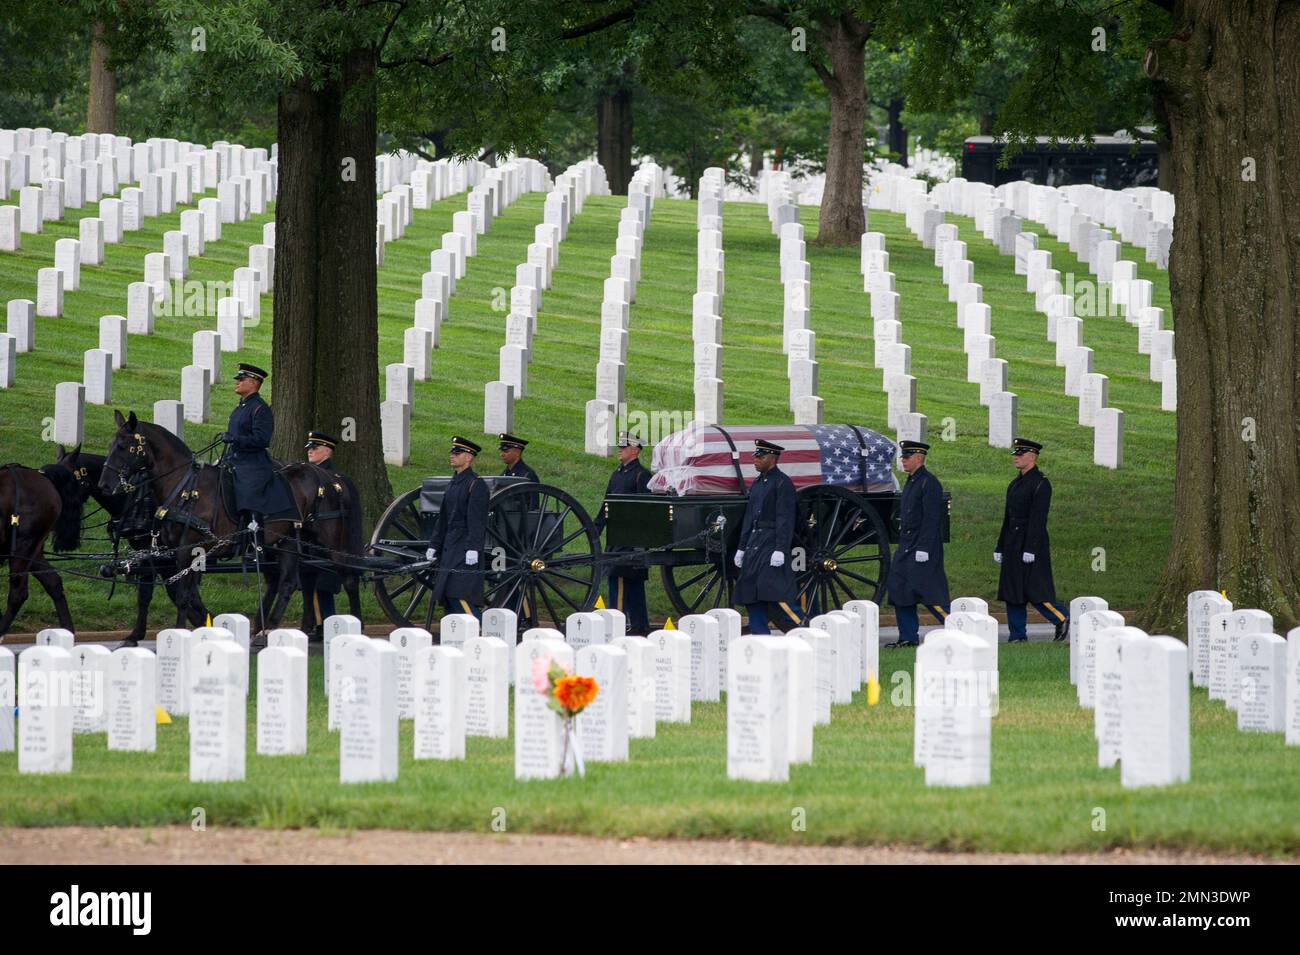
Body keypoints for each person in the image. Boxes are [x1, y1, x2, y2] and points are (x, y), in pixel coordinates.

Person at [995, 437, 1069, 642]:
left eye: (1021, 454)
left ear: (1032, 456)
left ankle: (1061, 618)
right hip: (1012, 542)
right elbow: (1008, 518)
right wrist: (1000, 546)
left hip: (1030, 544)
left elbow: (1038, 519)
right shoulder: (1015, 484)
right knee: (1013, 592)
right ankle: (1017, 635)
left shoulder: (1041, 483)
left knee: (1036, 591)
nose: (1016, 458)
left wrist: (1031, 548)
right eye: (1015, 454)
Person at [733, 439, 802, 634]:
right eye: (755, 456)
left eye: (760, 456)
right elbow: (749, 518)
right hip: (755, 543)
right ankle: (759, 635)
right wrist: (741, 547)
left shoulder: (782, 483)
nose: (755, 460)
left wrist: (780, 549)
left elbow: (785, 519)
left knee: (772, 591)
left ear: (772, 458)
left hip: (771, 543)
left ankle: (800, 629)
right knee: (751, 592)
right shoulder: (757, 484)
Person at [886, 440, 950, 647]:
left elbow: (932, 519)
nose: (903, 460)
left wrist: (923, 548)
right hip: (907, 544)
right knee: (900, 590)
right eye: (903, 457)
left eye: (907, 457)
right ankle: (907, 636)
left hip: (924, 546)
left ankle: (957, 627)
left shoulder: (929, 483)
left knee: (929, 591)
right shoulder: (913, 481)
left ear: (919, 458)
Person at [219, 362, 295, 534]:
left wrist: (236, 439)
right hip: (234, 459)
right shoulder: (240, 407)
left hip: (253, 463)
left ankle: (255, 537)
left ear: (253, 382)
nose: (236, 382)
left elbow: (262, 439)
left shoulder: (260, 408)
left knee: (248, 493)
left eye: (241, 379)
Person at [302, 430, 361, 638]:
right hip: (311, 542)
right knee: (312, 581)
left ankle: (327, 622)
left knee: (324, 582)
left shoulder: (336, 480)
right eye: (309, 448)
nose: (310, 451)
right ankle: (319, 622)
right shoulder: (309, 478)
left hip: (331, 542)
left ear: (327, 451)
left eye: (315, 448)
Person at [425, 435, 488, 622]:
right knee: (447, 593)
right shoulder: (454, 483)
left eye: (457, 453)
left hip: (464, 546)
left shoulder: (476, 484)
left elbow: (476, 521)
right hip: (450, 546)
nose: (452, 456)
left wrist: (473, 549)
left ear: (469, 457)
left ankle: (479, 629)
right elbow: (443, 519)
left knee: (457, 592)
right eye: (452, 452)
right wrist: (434, 544)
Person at [595, 430, 652, 635]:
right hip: (617, 537)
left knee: (622, 579)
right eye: (619, 447)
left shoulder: (641, 475)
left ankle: (620, 624)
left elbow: (646, 510)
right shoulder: (617, 474)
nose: (619, 450)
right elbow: (607, 504)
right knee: (628, 581)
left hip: (631, 539)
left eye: (624, 447)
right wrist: (596, 527)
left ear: (635, 451)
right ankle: (638, 624)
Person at [498, 433, 540, 510]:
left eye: (506, 451)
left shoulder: (527, 475)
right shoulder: (504, 474)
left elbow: (534, 505)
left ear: (517, 452)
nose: (502, 454)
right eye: (501, 451)